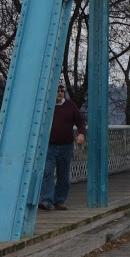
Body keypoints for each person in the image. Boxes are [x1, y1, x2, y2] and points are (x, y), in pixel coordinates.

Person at [39, 82, 87, 211]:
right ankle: (47, 201)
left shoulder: (70, 106)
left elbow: (80, 121)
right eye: (57, 90)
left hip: (66, 146)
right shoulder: (46, 107)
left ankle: (59, 201)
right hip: (49, 145)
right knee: (47, 173)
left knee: (63, 176)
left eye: (61, 91)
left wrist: (81, 134)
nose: (60, 93)